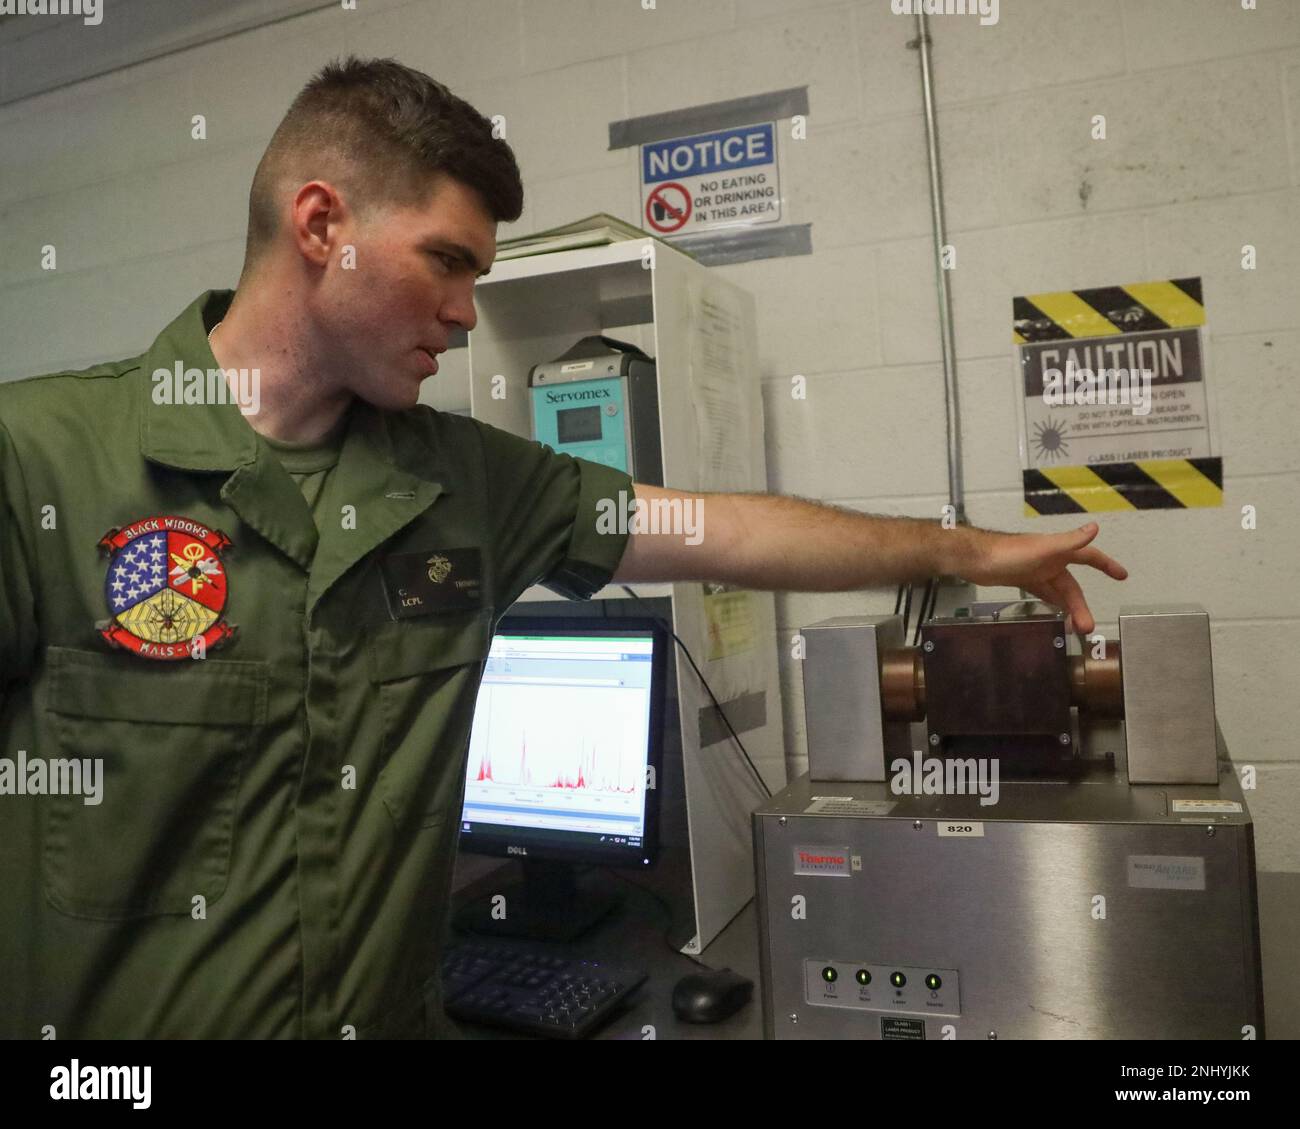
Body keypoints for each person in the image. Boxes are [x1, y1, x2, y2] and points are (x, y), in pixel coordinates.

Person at [0, 56, 1126, 1039]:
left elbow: (720, 530)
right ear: (320, 225)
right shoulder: (41, 461)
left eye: (478, 277)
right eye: (444, 260)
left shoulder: (462, 482)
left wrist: (964, 551)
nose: (460, 309)